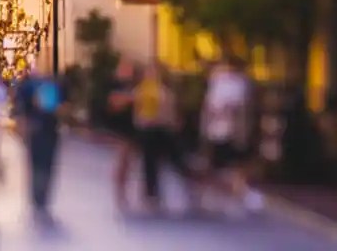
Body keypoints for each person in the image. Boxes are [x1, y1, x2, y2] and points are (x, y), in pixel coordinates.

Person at [200, 56, 262, 215]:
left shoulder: (238, 84)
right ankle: (220, 196)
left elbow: (240, 109)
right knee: (218, 166)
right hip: (217, 130)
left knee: (235, 166)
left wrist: (241, 130)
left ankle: (236, 197)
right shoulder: (216, 82)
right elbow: (210, 108)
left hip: (232, 131)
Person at [134, 62, 194, 214]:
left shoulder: (166, 91)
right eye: (149, 71)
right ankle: (151, 195)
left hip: (164, 130)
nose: (151, 75)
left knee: (176, 161)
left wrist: (171, 123)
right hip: (149, 130)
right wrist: (141, 122)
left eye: (154, 72)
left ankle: (189, 189)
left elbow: (172, 112)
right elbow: (138, 111)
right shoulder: (143, 90)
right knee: (149, 164)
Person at [14, 53, 64, 224]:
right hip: (36, 130)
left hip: (51, 130)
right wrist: (23, 128)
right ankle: (37, 200)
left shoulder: (56, 84)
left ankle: (42, 199)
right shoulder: (28, 85)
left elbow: (63, 106)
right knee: (36, 165)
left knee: (47, 165)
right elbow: (21, 109)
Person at [106, 58, 139, 210]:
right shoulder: (116, 85)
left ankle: (125, 189)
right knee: (123, 159)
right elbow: (114, 103)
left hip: (133, 126)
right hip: (120, 128)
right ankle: (120, 191)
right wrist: (129, 99)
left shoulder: (134, 85)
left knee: (129, 161)